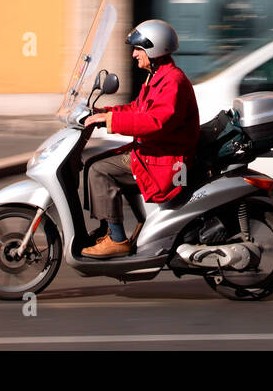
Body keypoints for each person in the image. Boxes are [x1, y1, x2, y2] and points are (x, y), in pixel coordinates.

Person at [81, 18, 199, 258]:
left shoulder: (172, 81)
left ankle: (116, 239)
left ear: (154, 49)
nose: (134, 54)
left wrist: (110, 122)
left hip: (167, 161)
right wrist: (104, 113)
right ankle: (113, 228)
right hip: (154, 152)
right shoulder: (158, 77)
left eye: (138, 49)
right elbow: (138, 109)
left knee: (99, 170)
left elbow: (156, 122)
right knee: (95, 162)